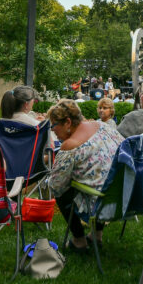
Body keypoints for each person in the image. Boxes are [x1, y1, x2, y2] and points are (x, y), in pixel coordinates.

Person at [47, 100, 123, 253]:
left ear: (68, 122)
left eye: (54, 126)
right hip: (122, 196)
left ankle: (79, 240)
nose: (53, 131)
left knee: (61, 191)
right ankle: (97, 235)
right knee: (100, 180)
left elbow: (55, 184)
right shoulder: (104, 127)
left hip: (100, 203)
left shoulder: (71, 145)